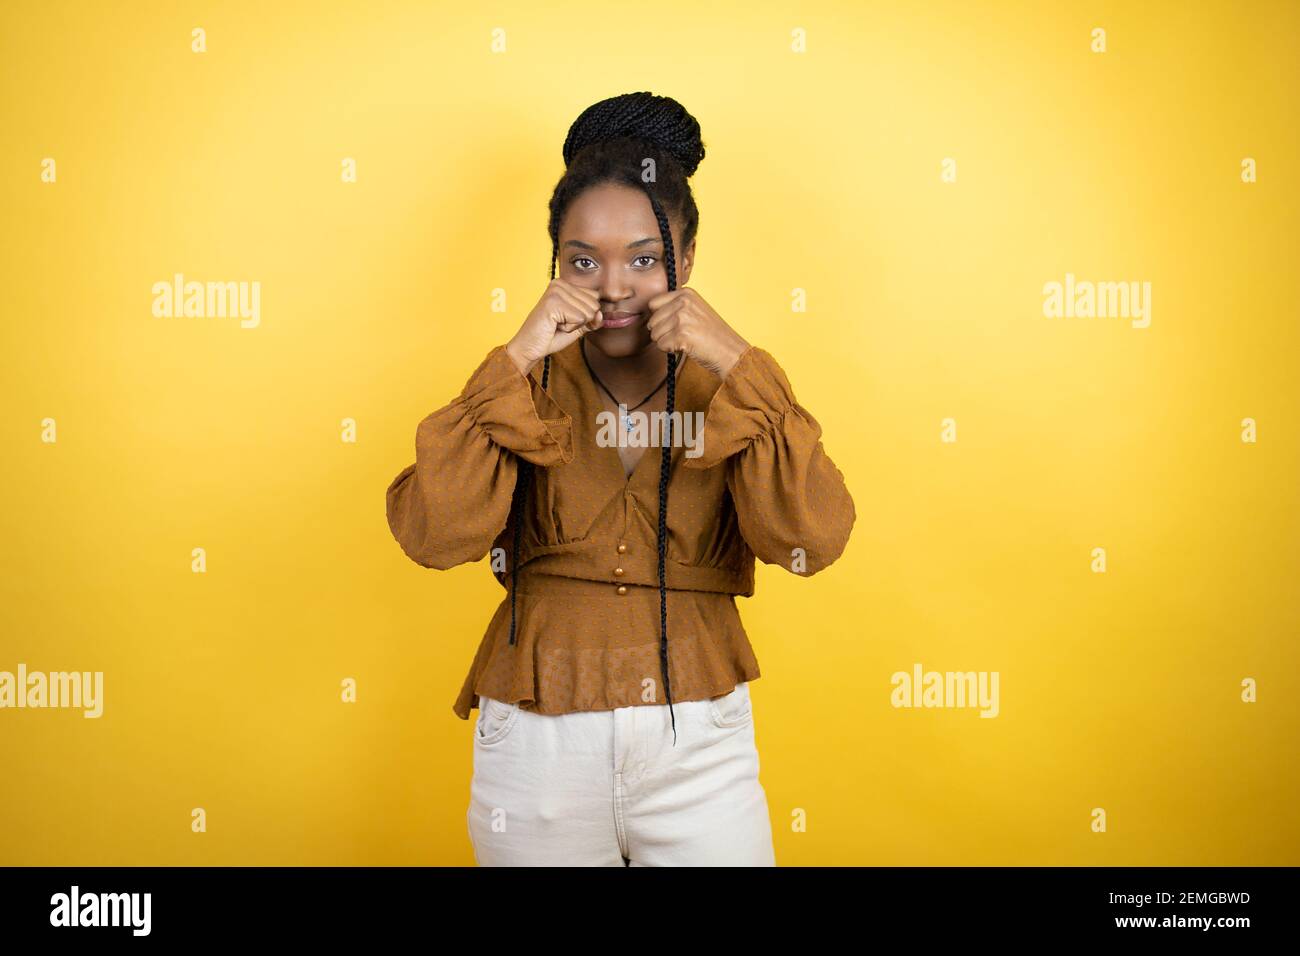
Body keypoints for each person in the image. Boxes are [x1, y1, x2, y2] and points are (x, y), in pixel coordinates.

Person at [386, 91, 856, 865]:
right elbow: (432, 536)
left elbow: (814, 539)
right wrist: (515, 356)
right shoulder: (520, 388)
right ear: (554, 264)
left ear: (689, 258)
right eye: (583, 261)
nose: (613, 287)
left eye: (644, 258)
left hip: (700, 748)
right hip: (535, 747)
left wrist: (739, 359)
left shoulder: (728, 390)